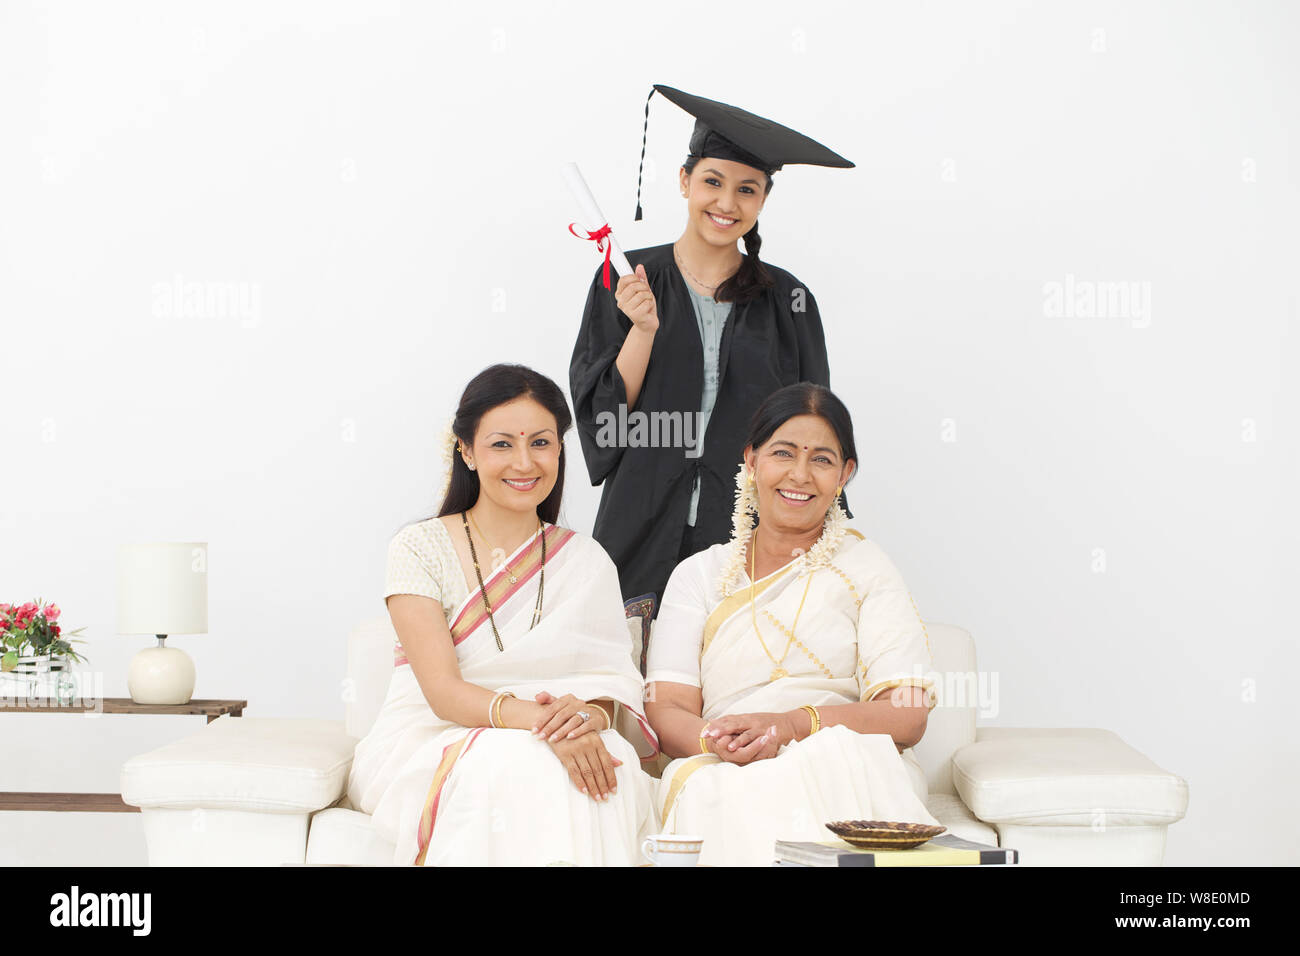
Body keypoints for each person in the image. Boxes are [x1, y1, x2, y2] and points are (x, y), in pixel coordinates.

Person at [346, 364, 659, 866]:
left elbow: (613, 687)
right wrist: (542, 724)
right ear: (466, 451)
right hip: (431, 735)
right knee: (513, 760)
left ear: (559, 449)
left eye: (541, 442)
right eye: (501, 445)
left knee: (611, 760)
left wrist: (581, 719)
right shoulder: (419, 547)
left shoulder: (585, 559)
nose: (524, 462)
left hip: (559, 727)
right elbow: (443, 693)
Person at [570, 85, 856, 614]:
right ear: (684, 181)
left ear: (763, 199)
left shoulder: (789, 302)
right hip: (641, 520)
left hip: (750, 532)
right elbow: (604, 421)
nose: (727, 203)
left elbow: (814, 430)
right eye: (712, 181)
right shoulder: (628, 279)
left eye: (747, 189)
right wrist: (643, 329)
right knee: (630, 673)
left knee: (741, 677)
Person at [643, 383, 942, 866]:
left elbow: (907, 715)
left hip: (845, 757)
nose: (800, 475)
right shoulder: (699, 575)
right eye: (784, 453)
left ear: (845, 474)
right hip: (724, 761)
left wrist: (791, 727)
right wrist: (722, 743)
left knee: (813, 767)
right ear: (752, 460)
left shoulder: (868, 566)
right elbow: (668, 707)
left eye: (822, 460)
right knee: (727, 789)